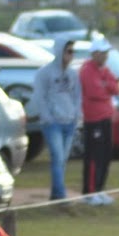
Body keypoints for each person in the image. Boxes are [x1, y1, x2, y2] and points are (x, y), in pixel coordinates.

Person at [31, 35, 81, 202]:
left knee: (63, 160)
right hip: (53, 123)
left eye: (73, 52)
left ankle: (56, 192)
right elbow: (40, 96)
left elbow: (77, 96)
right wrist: (48, 117)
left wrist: (76, 115)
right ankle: (60, 195)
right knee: (58, 157)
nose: (71, 55)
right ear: (60, 51)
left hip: (69, 122)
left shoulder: (73, 74)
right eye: (68, 51)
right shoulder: (44, 73)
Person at [78, 37, 119, 206]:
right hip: (93, 119)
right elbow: (94, 91)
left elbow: (116, 88)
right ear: (95, 53)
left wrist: (106, 85)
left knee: (105, 155)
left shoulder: (105, 70)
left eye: (106, 53)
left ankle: (100, 188)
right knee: (94, 156)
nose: (105, 56)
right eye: (103, 53)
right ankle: (89, 192)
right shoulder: (87, 70)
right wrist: (106, 88)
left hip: (106, 117)